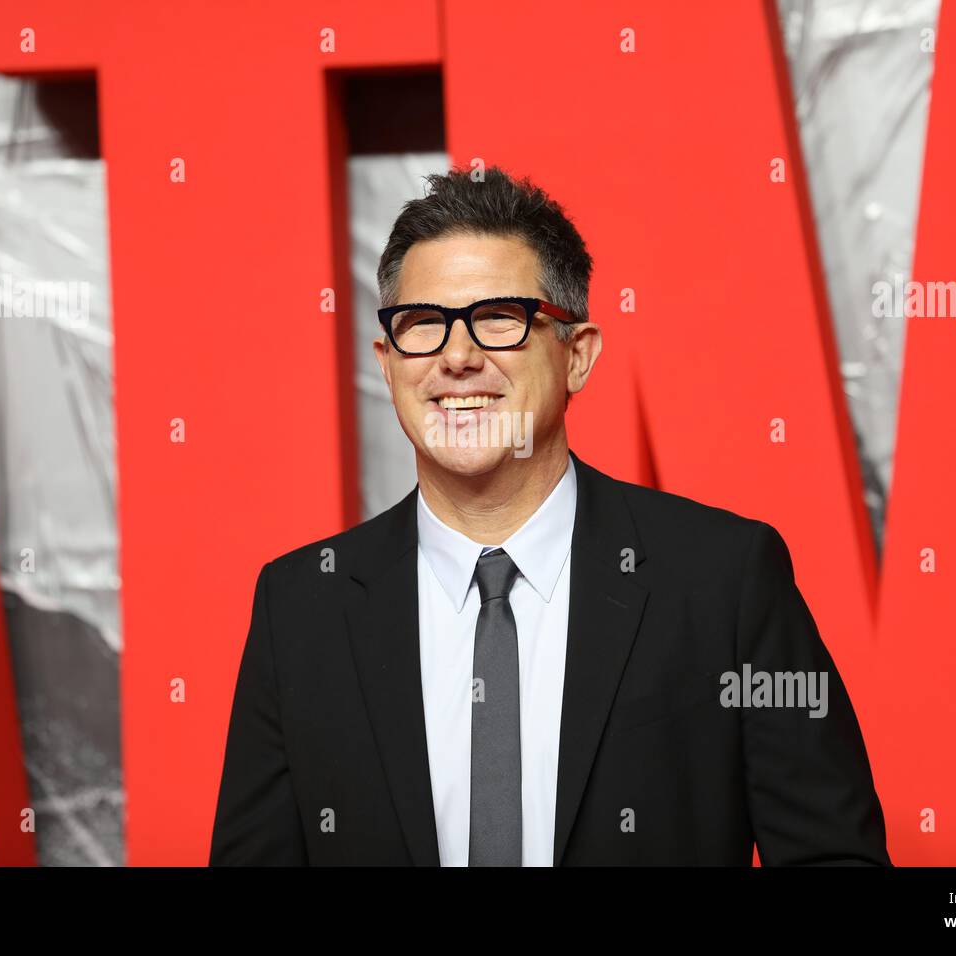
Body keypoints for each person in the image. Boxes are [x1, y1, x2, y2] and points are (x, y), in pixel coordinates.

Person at [209, 167, 890, 866]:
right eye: (423, 326)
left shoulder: (725, 580)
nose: (458, 358)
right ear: (387, 364)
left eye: (499, 320)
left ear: (578, 355)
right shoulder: (299, 605)